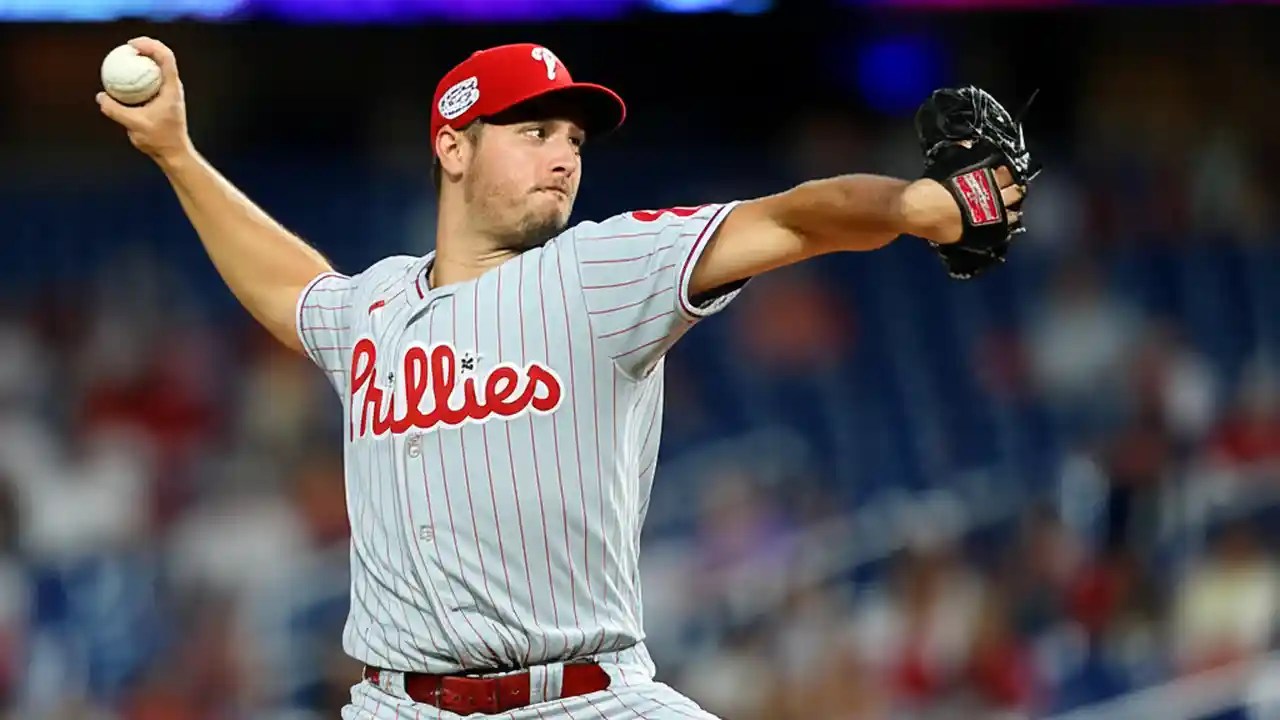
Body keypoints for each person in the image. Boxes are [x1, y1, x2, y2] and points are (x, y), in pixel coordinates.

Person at [96, 37, 1031, 720]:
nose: (565, 155)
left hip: (588, 701)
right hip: (400, 707)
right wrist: (177, 153)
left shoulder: (599, 270)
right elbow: (290, 287)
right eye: (536, 130)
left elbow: (791, 218)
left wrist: (919, 204)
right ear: (452, 147)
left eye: (575, 141)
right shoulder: (372, 308)